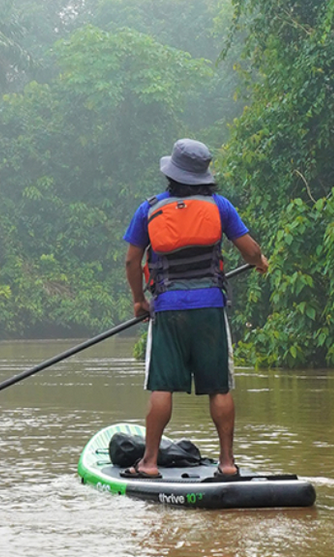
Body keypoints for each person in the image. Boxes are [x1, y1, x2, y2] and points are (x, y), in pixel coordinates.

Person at [120, 138, 269, 480]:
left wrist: (139, 300)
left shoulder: (148, 209)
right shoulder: (220, 207)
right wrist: (259, 261)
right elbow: (249, 250)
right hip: (210, 307)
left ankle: (149, 463)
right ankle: (227, 464)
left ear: (171, 174)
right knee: (219, 387)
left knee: (162, 386)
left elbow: (132, 261)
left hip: (168, 308)